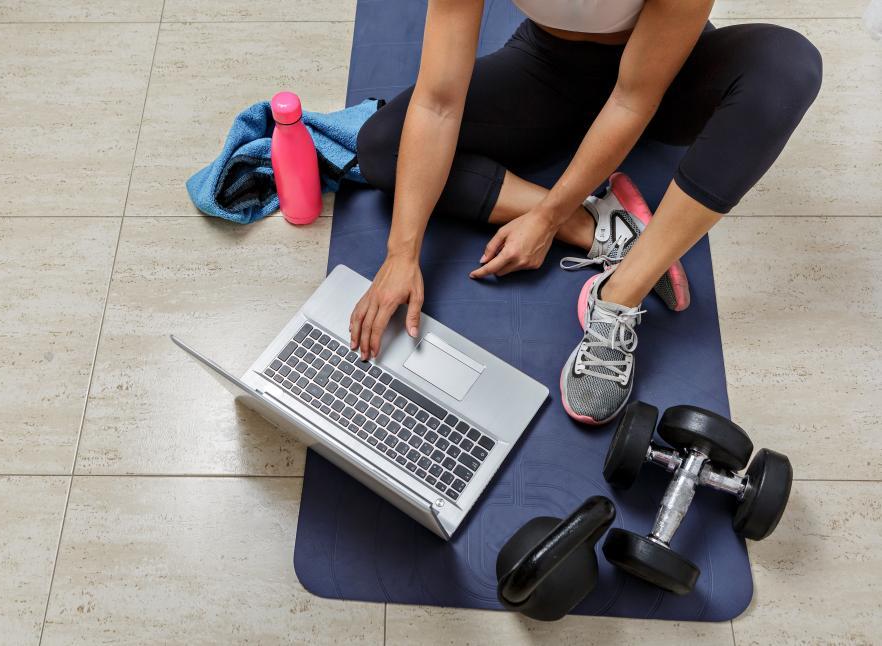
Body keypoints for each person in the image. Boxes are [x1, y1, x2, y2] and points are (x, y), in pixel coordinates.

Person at [349, 0, 822, 424]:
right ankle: (604, 225)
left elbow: (632, 100)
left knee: (788, 66)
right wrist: (401, 253)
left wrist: (548, 216)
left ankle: (621, 291)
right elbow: (437, 103)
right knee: (383, 147)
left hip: (664, 78)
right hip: (551, 68)